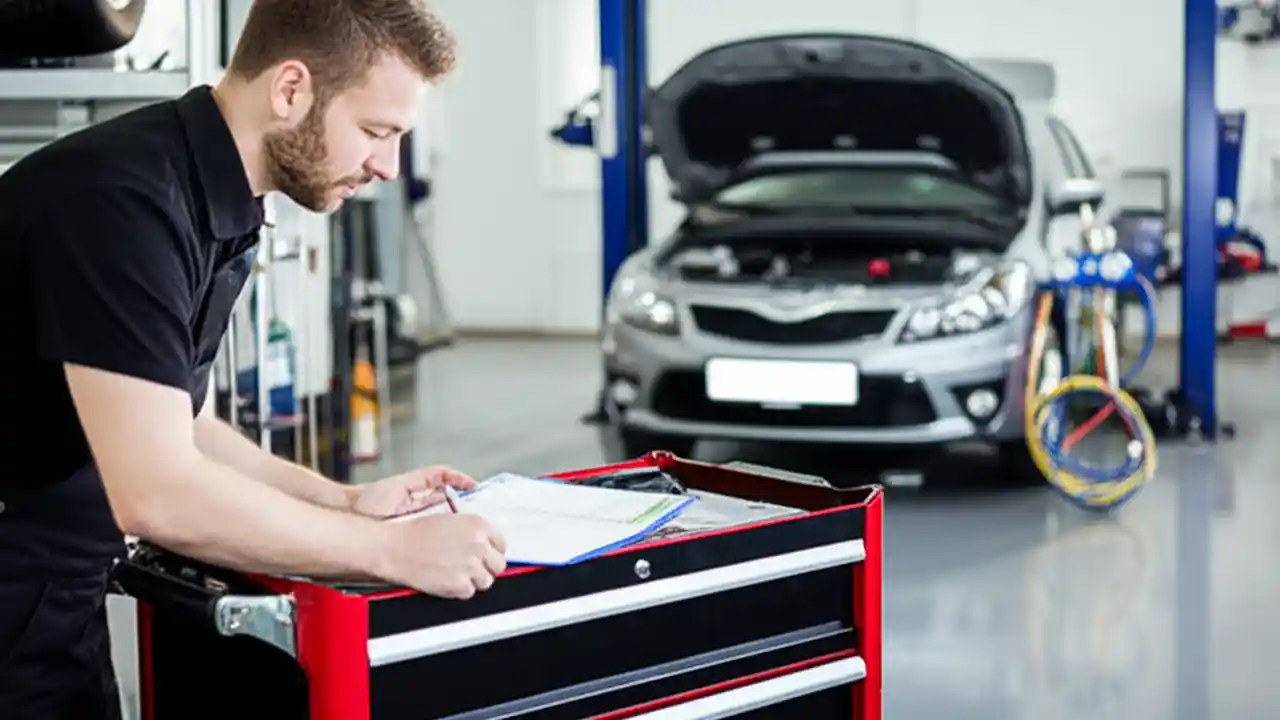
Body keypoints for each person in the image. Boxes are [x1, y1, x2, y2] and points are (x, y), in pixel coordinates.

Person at [0, 1, 505, 717]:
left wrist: (345, 500)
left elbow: (183, 421)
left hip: (54, 589)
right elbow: (159, 492)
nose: (388, 167)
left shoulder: (203, 195)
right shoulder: (122, 205)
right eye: (375, 132)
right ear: (291, 89)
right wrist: (392, 553)